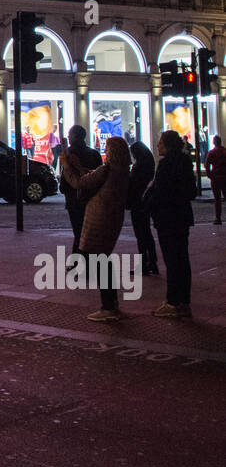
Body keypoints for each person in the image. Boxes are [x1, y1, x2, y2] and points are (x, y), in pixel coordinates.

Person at [60, 136, 131, 321]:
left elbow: (80, 183)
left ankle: (108, 307)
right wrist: (78, 167)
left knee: (97, 258)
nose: (105, 151)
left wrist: (67, 167)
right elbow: (92, 176)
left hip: (99, 217)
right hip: (112, 217)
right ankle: (111, 303)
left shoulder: (107, 169)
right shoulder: (122, 170)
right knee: (103, 257)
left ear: (113, 151)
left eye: (107, 148)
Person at [144, 129, 197, 318]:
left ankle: (173, 301)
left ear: (167, 144)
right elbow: (191, 191)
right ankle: (183, 302)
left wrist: (152, 201)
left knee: (172, 260)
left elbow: (161, 191)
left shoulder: (166, 164)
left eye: (160, 142)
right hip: (182, 217)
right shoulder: (184, 161)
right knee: (182, 259)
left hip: (167, 217)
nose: (158, 145)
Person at [59, 124, 103, 253]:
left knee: (78, 231)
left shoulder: (68, 154)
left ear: (74, 136)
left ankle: (79, 258)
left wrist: (64, 188)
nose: (68, 137)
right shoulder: (94, 154)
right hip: (91, 197)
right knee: (89, 231)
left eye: (70, 135)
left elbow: (65, 178)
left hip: (74, 198)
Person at [127, 141, 158, 275]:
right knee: (146, 232)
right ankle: (152, 262)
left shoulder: (139, 167)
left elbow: (133, 184)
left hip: (137, 202)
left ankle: (144, 263)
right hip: (144, 202)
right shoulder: (148, 164)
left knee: (141, 234)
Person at [205, 134, 226, 225]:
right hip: (224, 177)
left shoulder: (211, 152)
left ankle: (218, 218)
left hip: (216, 178)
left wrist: (210, 175)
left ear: (214, 142)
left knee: (217, 199)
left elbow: (207, 165)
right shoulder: (224, 151)